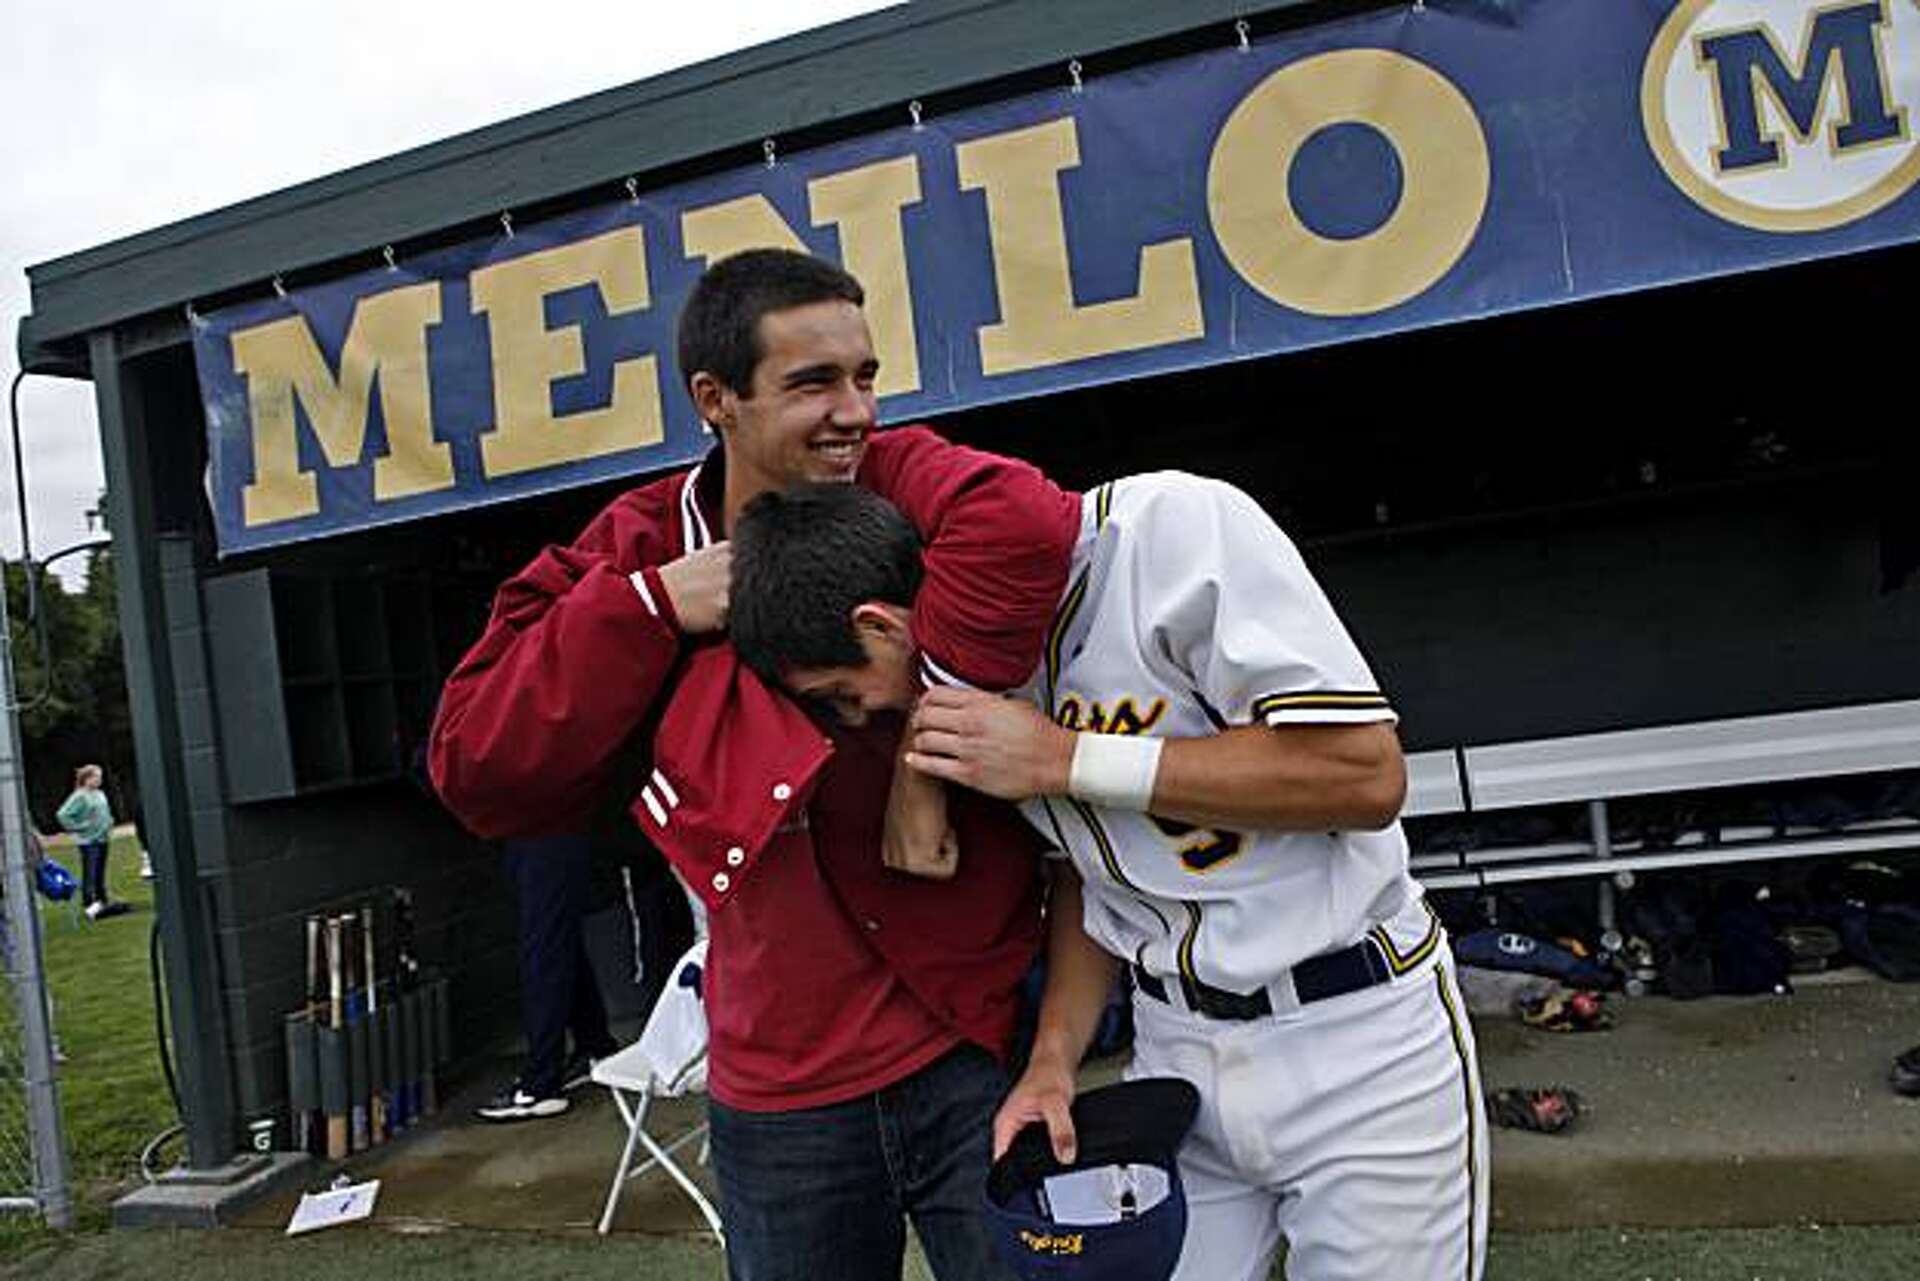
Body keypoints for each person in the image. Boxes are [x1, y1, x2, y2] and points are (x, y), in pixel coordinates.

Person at [429, 248, 1079, 1281]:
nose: (855, 412)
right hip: (781, 1092)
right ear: (715, 399)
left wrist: (922, 722)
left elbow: (1031, 517)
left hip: (971, 1044)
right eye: (813, 383)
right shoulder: (640, 546)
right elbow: (475, 764)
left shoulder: (901, 479)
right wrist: (650, 609)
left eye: (865, 375)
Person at [729, 476, 1490, 1281]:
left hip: (1356, 1032)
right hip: (1175, 1047)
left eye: (844, 694)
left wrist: (1068, 757)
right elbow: (1086, 876)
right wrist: (1053, 1059)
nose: (861, 718)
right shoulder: (976, 671)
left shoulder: (1170, 529)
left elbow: (1366, 776)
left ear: (878, 624)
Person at [474, 833, 621, 1122]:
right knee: (558, 940)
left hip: (545, 823)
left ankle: (541, 1086)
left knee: (544, 950)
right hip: (543, 824)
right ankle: (595, 1045)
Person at [56, 764, 128, 920]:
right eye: (96, 777)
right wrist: (80, 826)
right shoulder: (79, 796)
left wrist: (109, 821)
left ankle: (103, 900)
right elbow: (63, 815)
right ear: (87, 779)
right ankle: (90, 902)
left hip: (102, 838)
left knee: (100, 871)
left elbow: (104, 812)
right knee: (90, 872)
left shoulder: (100, 793)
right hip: (88, 841)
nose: (99, 780)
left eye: (100, 777)